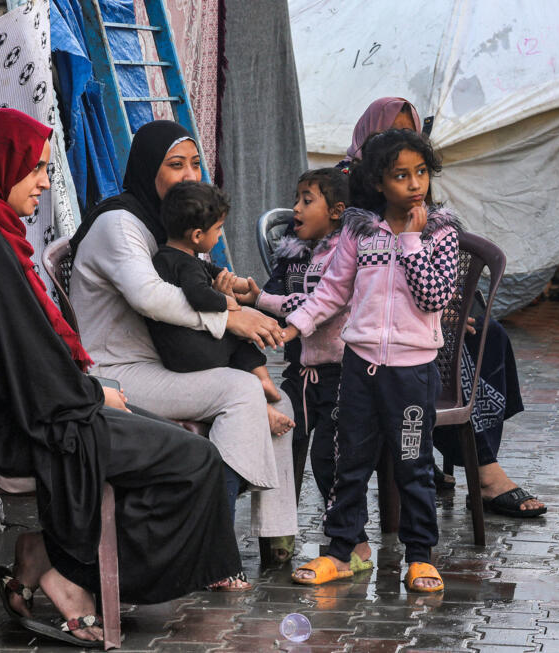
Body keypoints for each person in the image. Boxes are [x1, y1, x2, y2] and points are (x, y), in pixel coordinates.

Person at [0, 109, 244, 646]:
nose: (45, 180)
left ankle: (48, 552)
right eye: (33, 167)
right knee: (194, 458)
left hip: (11, 416)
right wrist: (90, 392)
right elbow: (22, 363)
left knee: (169, 439)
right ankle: (71, 571)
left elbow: (18, 356)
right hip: (20, 430)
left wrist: (87, 392)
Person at [69, 120, 297, 567]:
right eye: (176, 165)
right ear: (148, 169)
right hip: (116, 373)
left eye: (195, 164)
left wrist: (227, 293)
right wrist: (232, 315)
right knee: (242, 391)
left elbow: (189, 283)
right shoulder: (121, 223)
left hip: (162, 364)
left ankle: (277, 541)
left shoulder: (172, 222)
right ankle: (212, 540)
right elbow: (149, 296)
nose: (189, 175)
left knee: (279, 403)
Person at [341, 96, 545, 518]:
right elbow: (338, 274)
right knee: (452, 354)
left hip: (419, 303)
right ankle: (484, 472)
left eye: (410, 133)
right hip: (367, 318)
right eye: (385, 134)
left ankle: (460, 456)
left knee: (491, 336)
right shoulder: (346, 186)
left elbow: (436, 261)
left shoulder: (415, 188)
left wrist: (454, 310)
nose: (399, 143)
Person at [285, 128, 460, 592]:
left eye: (420, 172)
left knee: (412, 463)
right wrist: (294, 324)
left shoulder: (440, 232)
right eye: (401, 175)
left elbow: (434, 296)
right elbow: (331, 291)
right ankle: (340, 552)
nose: (414, 184)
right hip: (359, 366)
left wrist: (411, 241)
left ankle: (420, 556)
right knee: (351, 461)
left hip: (411, 371)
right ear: (380, 183)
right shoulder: (360, 230)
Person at [148, 180, 293, 434]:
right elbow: (198, 295)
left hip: (177, 351)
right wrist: (229, 303)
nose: (218, 236)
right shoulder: (187, 265)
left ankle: (262, 387)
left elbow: (211, 271)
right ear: (196, 235)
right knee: (238, 338)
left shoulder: (171, 257)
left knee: (234, 338)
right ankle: (262, 380)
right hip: (193, 355)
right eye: (217, 229)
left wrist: (235, 282)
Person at [254, 168, 349, 505]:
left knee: (328, 454)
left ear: (336, 212)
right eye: (296, 199)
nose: (296, 208)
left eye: (307, 201)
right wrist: (253, 299)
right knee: (284, 438)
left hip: (339, 374)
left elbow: (317, 304)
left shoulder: (344, 257)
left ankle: (344, 528)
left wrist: (259, 299)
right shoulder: (291, 254)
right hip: (298, 371)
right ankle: (280, 528)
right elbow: (272, 301)